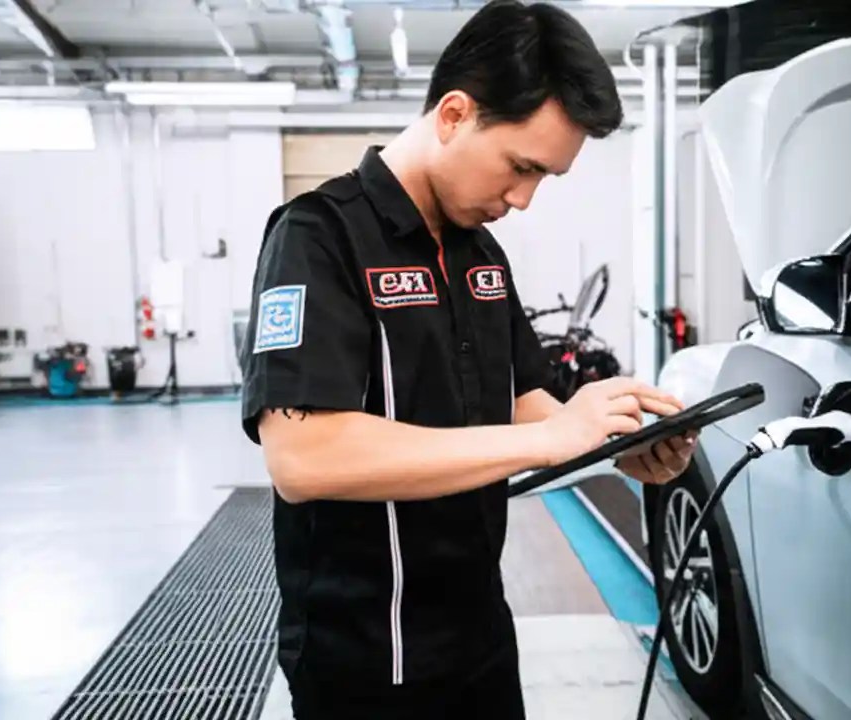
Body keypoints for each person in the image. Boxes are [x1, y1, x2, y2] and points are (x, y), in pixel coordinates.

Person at [239, 1, 697, 717]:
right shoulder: (317, 238)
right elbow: (304, 458)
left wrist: (616, 442)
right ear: (453, 115)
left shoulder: (481, 256)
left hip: (480, 639)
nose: (522, 199)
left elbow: (521, 402)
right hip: (364, 660)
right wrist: (547, 438)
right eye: (520, 167)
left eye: (545, 178)